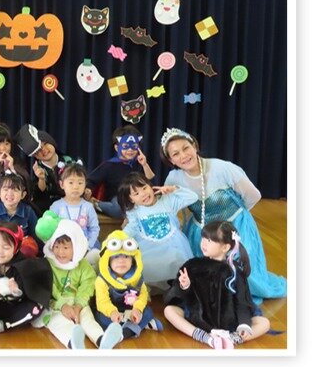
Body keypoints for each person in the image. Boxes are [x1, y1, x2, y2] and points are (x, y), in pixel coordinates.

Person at [160, 127, 287, 303]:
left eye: (186, 148)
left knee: (242, 272)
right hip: (201, 233)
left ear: (194, 146)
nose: (183, 155)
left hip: (234, 228)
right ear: (171, 160)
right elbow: (168, 209)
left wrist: (238, 218)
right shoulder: (173, 179)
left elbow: (253, 195)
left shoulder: (222, 168)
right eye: (175, 154)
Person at [163, 221, 271, 349]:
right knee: (169, 311)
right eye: (203, 238)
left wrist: (244, 325)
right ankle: (205, 337)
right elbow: (185, 298)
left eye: (209, 240)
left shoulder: (234, 271)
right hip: (200, 318)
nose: (203, 243)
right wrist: (185, 286)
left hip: (229, 320)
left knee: (264, 323)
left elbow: (242, 301)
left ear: (225, 247)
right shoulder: (193, 265)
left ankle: (233, 338)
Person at [33, 212, 107, 349]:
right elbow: (49, 287)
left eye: (66, 247)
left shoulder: (83, 265)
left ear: (76, 247)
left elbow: (87, 285)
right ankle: (73, 341)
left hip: (78, 302)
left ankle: (102, 339)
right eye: (56, 247)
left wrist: (78, 305)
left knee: (87, 318)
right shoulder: (47, 264)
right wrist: (63, 306)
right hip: (55, 305)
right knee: (58, 322)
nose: (60, 252)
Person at [0, 221, 52, 342]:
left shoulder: (23, 264)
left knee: (38, 305)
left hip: (15, 309)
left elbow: (31, 289)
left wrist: (17, 290)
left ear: (16, 249)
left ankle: (3, 325)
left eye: (6, 247)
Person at [117, 172, 196, 292]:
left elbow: (193, 197)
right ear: (131, 199)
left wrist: (174, 189)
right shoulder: (135, 211)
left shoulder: (168, 201)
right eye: (136, 193)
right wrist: (118, 238)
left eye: (144, 188)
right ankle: (145, 292)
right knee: (140, 263)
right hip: (148, 246)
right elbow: (131, 228)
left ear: (151, 186)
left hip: (173, 245)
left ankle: (177, 290)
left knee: (179, 261)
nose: (143, 194)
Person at [92, 229, 163, 349]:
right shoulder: (102, 280)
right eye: (116, 257)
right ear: (107, 260)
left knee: (148, 311)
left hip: (131, 311)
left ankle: (124, 332)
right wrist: (112, 312)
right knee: (101, 319)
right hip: (112, 313)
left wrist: (137, 310)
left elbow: (143, 295)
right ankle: (138, 326)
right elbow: (102, 302)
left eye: (126, 256)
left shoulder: (137, 277)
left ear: (133, 259)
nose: (121, 261)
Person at [85, 125, 155, 219]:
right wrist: (88, 189)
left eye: (134, 146)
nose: (130, 150)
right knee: (119, 210)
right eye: (125, 146)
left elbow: (150, 180)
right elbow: (91, 180)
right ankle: (96, 204)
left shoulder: (139, 162)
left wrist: (145, 164)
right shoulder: (109, 165)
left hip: (138, 197)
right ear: (117, 148)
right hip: (118, 199)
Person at [14, 123, 79, 215]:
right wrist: (41, 178)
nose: (43, 150)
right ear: (35, 156)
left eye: (45, 144)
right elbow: (40, 196)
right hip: (48, 208)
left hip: (71, 202)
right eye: (38, 151)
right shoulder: (37, 169)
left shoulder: (69, 161)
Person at [49, 163, 100, 265]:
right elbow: (50, 229)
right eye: (71, 183)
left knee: (96, 256)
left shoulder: (88, 207)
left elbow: (94, 229)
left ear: (85, 185)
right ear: (62, 184)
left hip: (85, 248)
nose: (76, 187)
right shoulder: (56, 206)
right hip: (63, 248)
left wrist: (88, 246)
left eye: (80, 183)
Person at [0, 171, 40, 258]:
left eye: (15, 190)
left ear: (23, 195)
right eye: (6, 189)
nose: (10, 193)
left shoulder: (28, 211)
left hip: (21, 254)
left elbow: (36, 236)